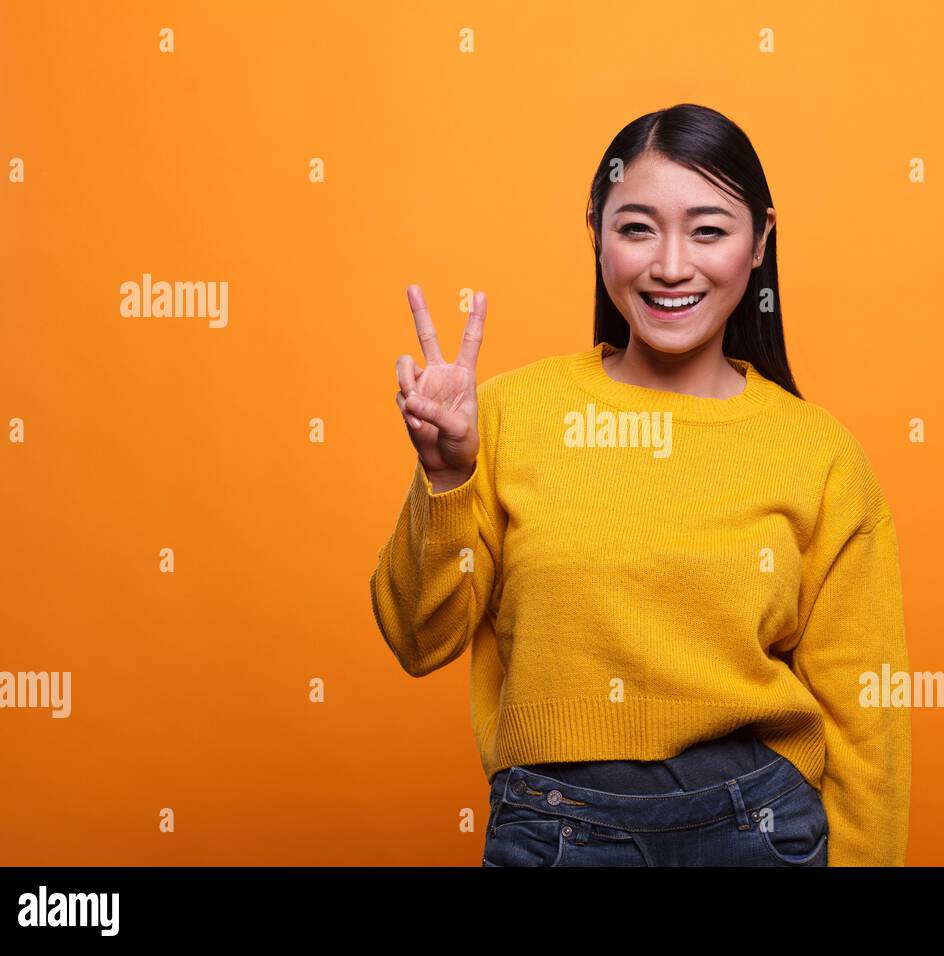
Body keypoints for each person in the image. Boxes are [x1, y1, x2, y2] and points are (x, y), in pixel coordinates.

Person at [370, 103, 911, 867]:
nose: (670, 265)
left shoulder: (819, 455)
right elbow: (417, 641)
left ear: (759, 241)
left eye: (709, 230)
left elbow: (866, 720)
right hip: (555, 834)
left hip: (760, 834)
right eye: (637, 228)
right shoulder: (506, 417)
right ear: (596, 232)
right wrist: (448, 475)